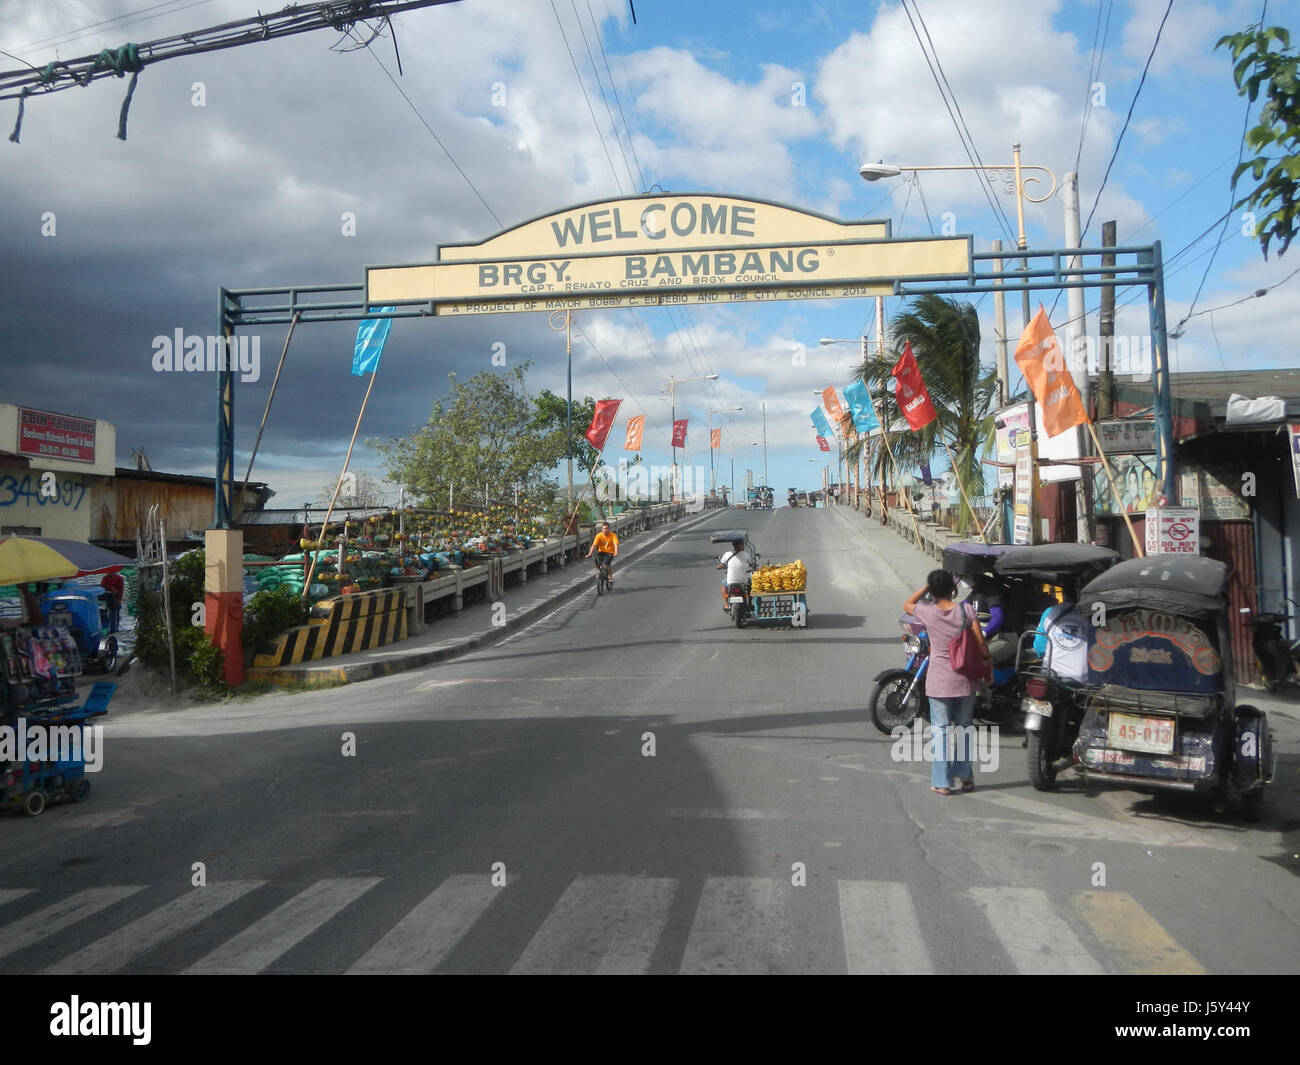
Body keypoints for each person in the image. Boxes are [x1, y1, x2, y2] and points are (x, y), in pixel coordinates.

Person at [904, 569, 990, 796]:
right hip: (966, 679)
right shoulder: (966, 610)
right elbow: (981, 644)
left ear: (932, 591)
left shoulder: (927, 612)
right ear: (953, 590)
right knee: (964, 727)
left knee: (940, 730)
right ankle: (965, 776)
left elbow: (907, 604)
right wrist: (987, 665)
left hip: (939, 680)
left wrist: (927, 586)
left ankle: (942, 782)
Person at [715, 538, 750, 609]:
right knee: (751, 585)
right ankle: (749, 602)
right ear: (740, 545)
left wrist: (718, 567)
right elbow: (749, 564)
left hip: (730, 582)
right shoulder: (746, 555)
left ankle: (727, 604)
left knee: (723, 584)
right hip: (743, 581)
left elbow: (721, 565)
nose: (744, 546)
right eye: (743, 544)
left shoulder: (727, 554)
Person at [585, 521, 619, 586]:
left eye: (606, 528)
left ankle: (610, 576)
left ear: (609, 529)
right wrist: (589, 553)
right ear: (602, 529)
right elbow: (594, 545)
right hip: (601, 552)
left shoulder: (613, 535)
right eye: (603, 528)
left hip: (609, 553)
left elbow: (615, 544)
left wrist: (616, 552)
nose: (605, 530)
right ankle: (598, 571)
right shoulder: (599, 535)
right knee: (596, 562)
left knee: (606, 564)